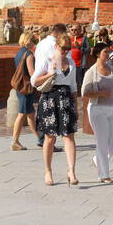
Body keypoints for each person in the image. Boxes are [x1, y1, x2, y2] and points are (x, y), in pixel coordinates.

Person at [33, 31, 79, 185]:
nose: (66, 51)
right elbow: (35, 81)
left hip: (66, 99)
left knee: (69, 136)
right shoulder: (48, 59)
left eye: (68, 48)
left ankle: (71, 171)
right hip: (50, 98)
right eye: (63, 48)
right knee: (50, 137)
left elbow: (73, 86)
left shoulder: (71, 63)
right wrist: (49, 74)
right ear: (56, 46)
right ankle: (48, 171)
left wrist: (76, 106)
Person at [80, 39, 113, 182]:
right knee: (102, 140)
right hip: (97, 109)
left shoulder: (111, 68)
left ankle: (97, 159)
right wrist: (100, 94)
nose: (108, 53)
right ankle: (104, 174)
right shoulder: (91, 72)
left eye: (108, 51)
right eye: (105, 52)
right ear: (98, 54)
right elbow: (84, 92)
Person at [10, 32, 40, 151]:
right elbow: (32, 73)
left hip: (20, 87)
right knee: (22, 113)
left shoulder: (19, 53)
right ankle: (15, 141)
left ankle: (40, 138)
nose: (34, 42)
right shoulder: (28, 55)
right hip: (26, 87)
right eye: (33, 40)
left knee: (31, 114)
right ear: (28, 41)